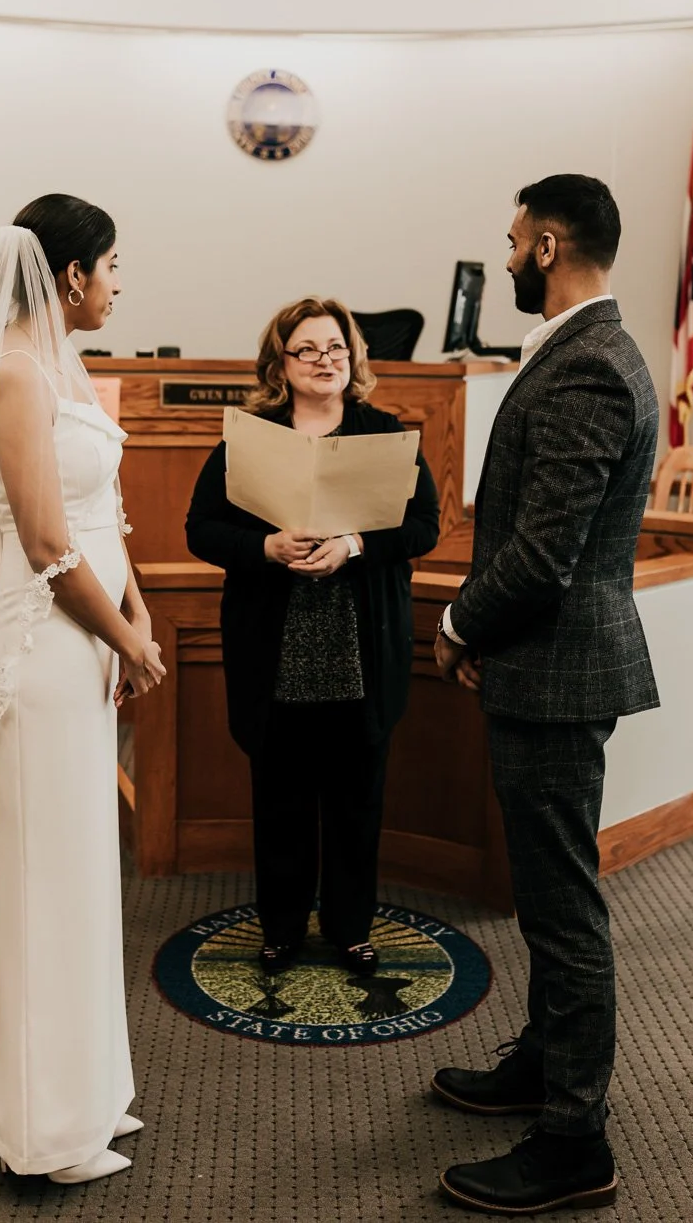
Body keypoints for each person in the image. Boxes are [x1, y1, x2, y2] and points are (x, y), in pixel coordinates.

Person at [0, 195, 166, 1185]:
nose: (118, 283)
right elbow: (46, 545)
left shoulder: (65, 365)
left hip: (87, 636)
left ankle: (92, 1091)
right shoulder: (14, 376)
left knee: (87, 872)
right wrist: (126, 640)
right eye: (112, 265)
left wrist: (136, 610)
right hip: (43, 641)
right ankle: (45, 1134)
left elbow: (103, 514)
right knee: (50, 883)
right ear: (70, 275)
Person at [431, 175, 659, 1216]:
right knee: (543, 891)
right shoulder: (579, 350)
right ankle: (539, 1061)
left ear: (550, 246)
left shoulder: (591, 365)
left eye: (516, 239)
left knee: (564, 909)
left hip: (560, 672)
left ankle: (574, 1139)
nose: (509, 254)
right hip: (545, 663)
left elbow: (543, 556)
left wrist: (457, 625)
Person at [186, 296, 440, 975]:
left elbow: (424, 527)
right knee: (281, 800)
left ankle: (351, 927)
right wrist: (264, 547)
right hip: (277, 651)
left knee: (357, 801)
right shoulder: (251, 439)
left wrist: (355, 544)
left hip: (361, 651)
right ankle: (282, 927)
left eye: (335, 347)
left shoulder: (383, 433)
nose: (325, 360)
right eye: (307, 349)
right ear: (281, 363)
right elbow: (200, 529)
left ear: (352, 356)